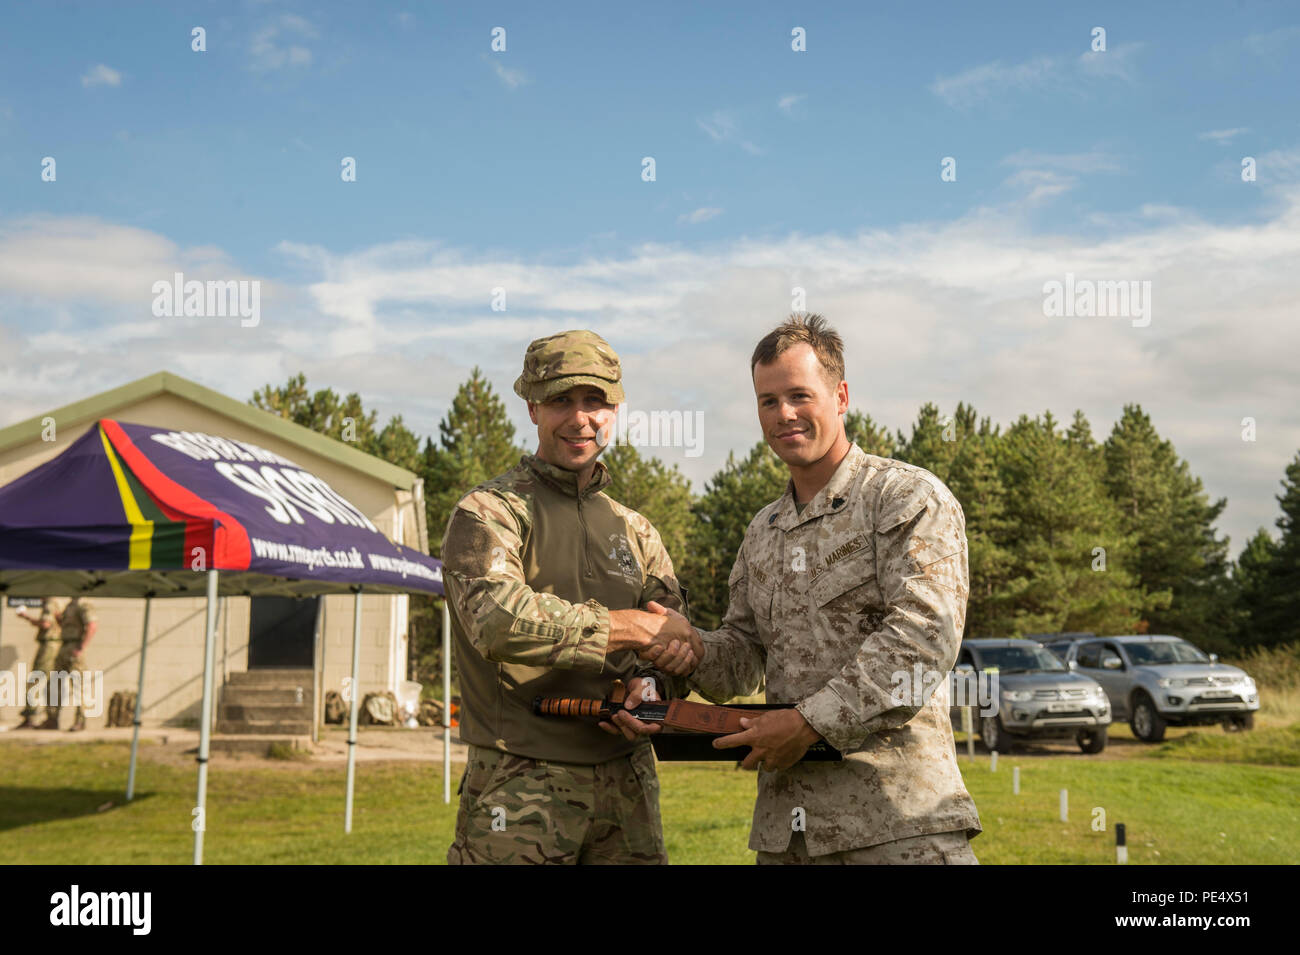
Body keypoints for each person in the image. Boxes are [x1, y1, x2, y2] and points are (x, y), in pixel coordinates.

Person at [618, 314, 982, 864]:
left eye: (799, 395)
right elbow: (743, 659)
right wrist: (686, 647)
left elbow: (922, 641)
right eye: (768, 401)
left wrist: (809, 723)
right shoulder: (763, 530)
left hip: (898, 825)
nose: (783, 413)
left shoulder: (904, 498)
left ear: (841, 397)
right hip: (789, 835)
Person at [440, 329, 702, 865]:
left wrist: (650, 686)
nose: (580, 419)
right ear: (532, 408)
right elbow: (496, 620)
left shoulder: (636, 530)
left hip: (628, 785)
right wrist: (629, 627)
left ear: (615, 409)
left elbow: (674, 642)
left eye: (595, 401)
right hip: (519, 781)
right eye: (561, 400)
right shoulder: (489, 512)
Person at [46, 596, 97, 731]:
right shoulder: (70, 605)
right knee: (54, 684)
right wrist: (59, 619)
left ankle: (80, 721)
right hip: (64, 645)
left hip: (75, 646)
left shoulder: (84, 603)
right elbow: (67, 625)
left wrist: (81, 647)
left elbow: (92, 626)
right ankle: (52, 719)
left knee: (79, 686)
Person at [13, 599, 61, 729]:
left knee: (35, 680)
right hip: (56, 646)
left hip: (48, 646)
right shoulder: (59, 602)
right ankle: (51, 718)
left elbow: (45, 624)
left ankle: (30, 716)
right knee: (51, 682)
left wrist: (26, 617)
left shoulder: (50, 604)